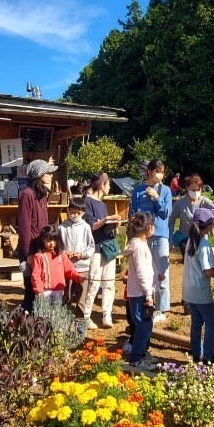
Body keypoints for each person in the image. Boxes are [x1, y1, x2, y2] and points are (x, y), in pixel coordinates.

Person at [130, 159, 173, 323]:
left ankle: (162, 309)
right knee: (144, 271)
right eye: (157, 171)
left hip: (160, 234)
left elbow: (165, 214)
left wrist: (157, 198)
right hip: (141, 237)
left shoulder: (166, 190)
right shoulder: (138, 190)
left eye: (162, 172)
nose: (159, 175)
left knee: (162, 272)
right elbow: (133, 214)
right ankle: (145, 303)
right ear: (149, 171)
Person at [79, 173, 121, 328]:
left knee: (109, 283)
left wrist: (113, 223)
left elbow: (103, 225)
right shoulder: (88, 202)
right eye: (108, 184)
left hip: (108, 248)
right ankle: (87, 316)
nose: (109, 187)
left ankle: (106, 315)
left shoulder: (103, 205)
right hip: (96, 248)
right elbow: (90, 225)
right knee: (94, 283)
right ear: (102, 185)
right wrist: (105, 220)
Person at [16, 159, 57, 312]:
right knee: (31, 291)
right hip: (31, 250)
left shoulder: (42, 195)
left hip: (42, 247)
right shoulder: (27, 195)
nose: (51, 176)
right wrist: (28, 255)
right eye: (48, 173)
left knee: (42, 289)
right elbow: (24, 227)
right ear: (39, 175)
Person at [182, 208, 214, 364]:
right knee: (211, 322)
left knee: (196, 323)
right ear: (210, 225)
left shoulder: (191, 241)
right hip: (200, 291)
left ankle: (196, 354)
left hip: (189, 290)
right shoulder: (204, 244)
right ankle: (208, 356)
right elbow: (208, 272)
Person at [124, 211, 157, 371]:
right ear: (148, 227)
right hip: (140, 293)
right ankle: (137, 358)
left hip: (141, 291)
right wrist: (148, 293)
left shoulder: (138, 244)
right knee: (143, 325)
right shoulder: (138, 246)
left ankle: (142, 352)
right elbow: (141, 272)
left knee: (145, 324)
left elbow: (147, 269)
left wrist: (157, 277)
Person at [30, 224, 82, 304]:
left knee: (56, 313)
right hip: (44, 292)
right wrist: (39, 291)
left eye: (54, 240)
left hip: (59, 291)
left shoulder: (61, 255)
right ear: (43, 240)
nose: (52, 243)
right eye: (48, 240)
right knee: (44, 315)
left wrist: (78, 277)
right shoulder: (39, 256)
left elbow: (70, 269)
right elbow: (35, 275)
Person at [57, 197, 94, 308]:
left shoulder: (86, 227)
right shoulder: (62, 227)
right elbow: (58, 247)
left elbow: (91, 247)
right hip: (67, 268)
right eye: (73, 212)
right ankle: (64, 321)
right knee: (66, 296)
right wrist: (64, 253)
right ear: (68, 211)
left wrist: (82, 254)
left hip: (82, 268)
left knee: (81, 297)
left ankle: (80, 322)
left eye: (79, 213)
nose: (75, 215)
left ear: (83, 213)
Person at [170, 172, 214, 246]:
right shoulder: (179, 203)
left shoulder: (204, 201)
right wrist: (170, 239)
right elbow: (171, 221)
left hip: (201, 238)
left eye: (198, 190)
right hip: (184, 239)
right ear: (187, 188)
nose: (195, 192)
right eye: (193, 190)